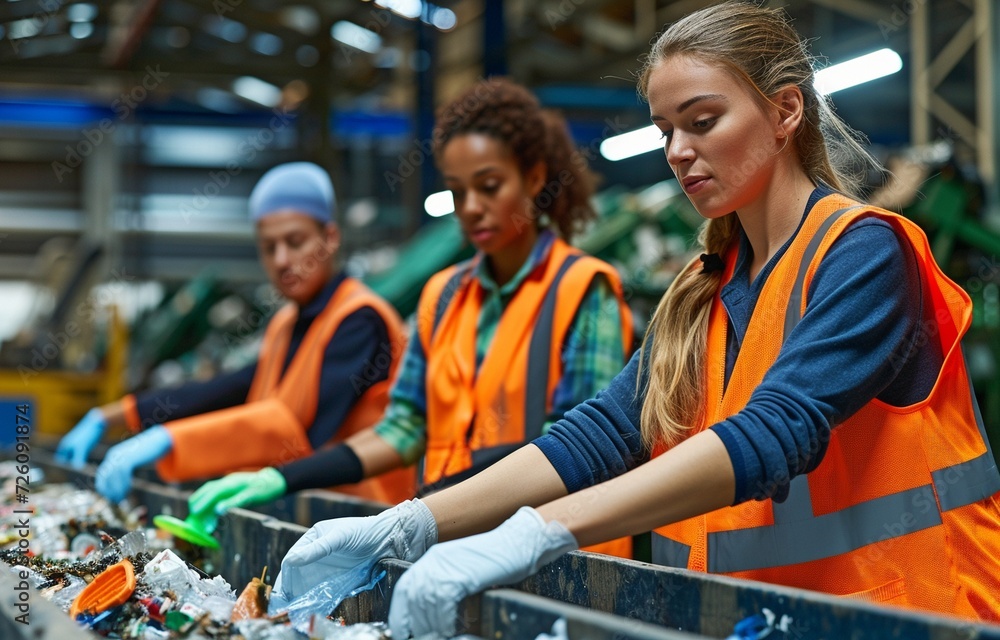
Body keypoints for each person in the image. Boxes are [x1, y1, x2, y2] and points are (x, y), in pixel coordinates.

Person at [269, 3, 1000, 636]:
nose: (679, 152)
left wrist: (539, 532)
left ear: (784, 111)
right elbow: (603, 433)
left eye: (704, 121)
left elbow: (777, 430)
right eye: (665, 131)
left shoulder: (865, 254)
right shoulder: (704, 289)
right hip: (770, 619)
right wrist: (411, 523)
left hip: (912, 617)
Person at [187, 78, 636, 558]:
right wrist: (281, 476)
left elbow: (579, 447)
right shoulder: (442, 296)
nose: (471, 209)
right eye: (457, 192)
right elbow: (402, 430)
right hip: (451, 544)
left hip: (559, 555)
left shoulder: (585, 289)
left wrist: (430, 503)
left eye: (489, 187)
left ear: (533, 178)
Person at [56, 162, 415, 505]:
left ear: (331, 237)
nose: (281, 260)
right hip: (310, 513)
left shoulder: (359, 320)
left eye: (295, 241)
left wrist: (170, 439)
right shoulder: (287, 323)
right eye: (268, 247)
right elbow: (232, 388)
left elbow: (296, 431)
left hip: (369, 515)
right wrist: (114, 416)